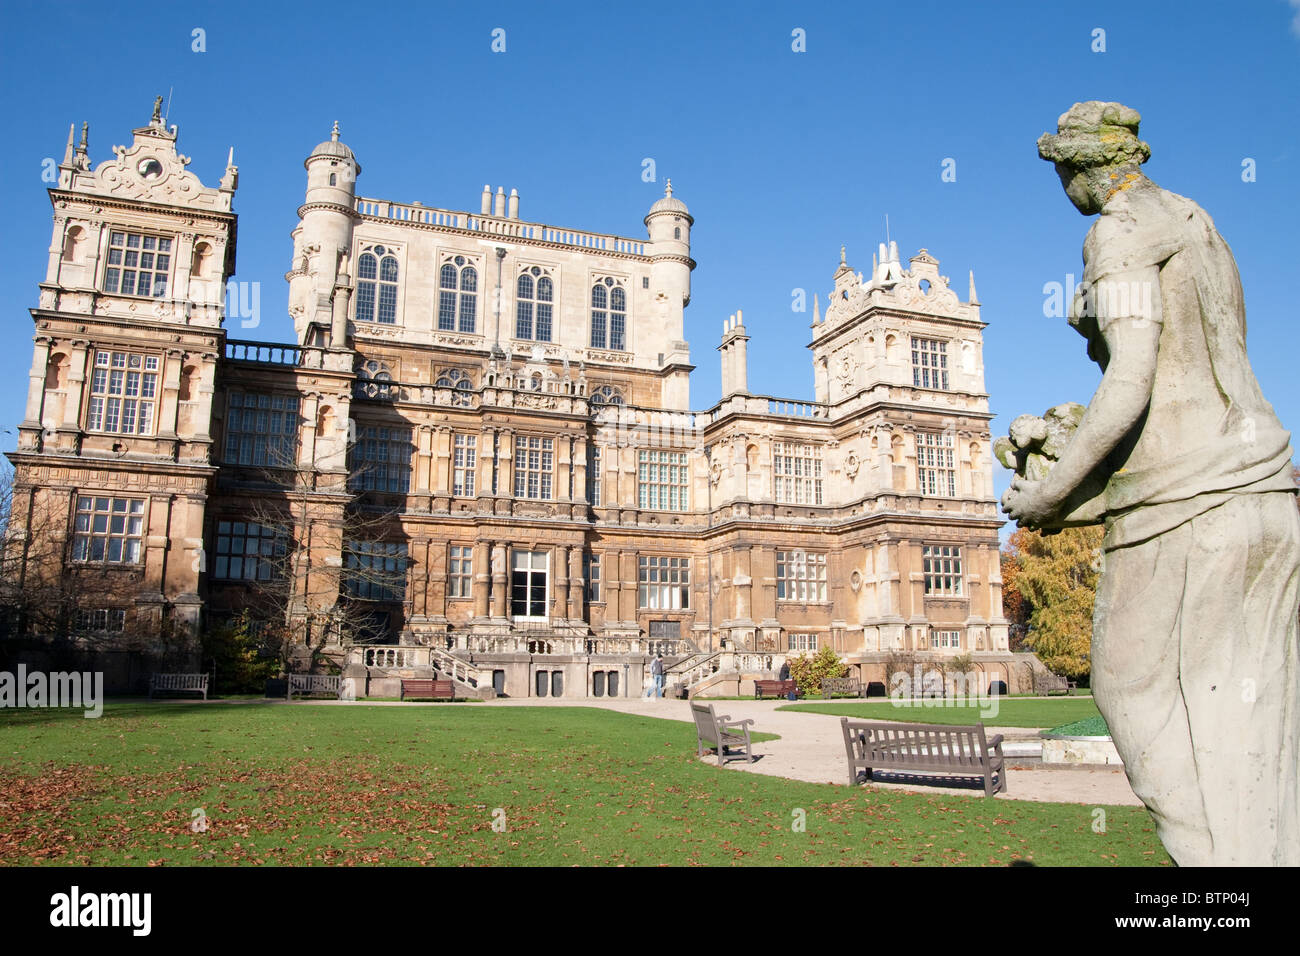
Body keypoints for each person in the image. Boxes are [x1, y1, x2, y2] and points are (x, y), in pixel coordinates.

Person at [1003, 101, 1300, 866]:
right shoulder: (1198, 222)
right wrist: (1075, 454)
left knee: (1132, 694)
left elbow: (1133, 381)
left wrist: (1046, 493)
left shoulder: (1120, 227)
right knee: (1247, 712)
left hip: (1188, 505)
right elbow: (1182, 382)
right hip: (1258, 485)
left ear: (1075, 170)